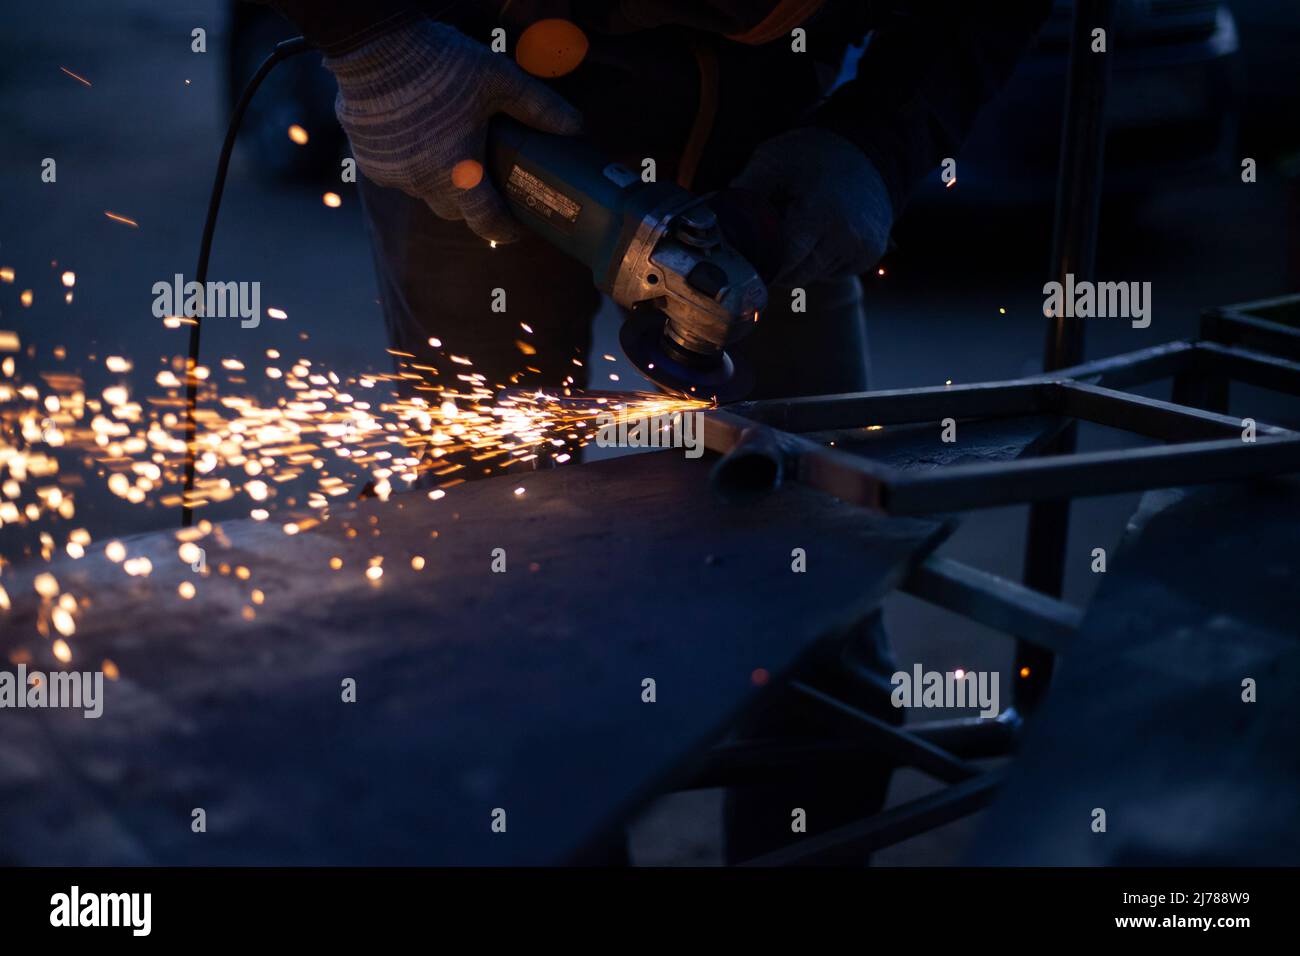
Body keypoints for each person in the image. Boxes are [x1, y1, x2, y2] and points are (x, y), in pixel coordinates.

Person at [259, 0, 1052, 863]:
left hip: (771, 144)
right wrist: (376, 43)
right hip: (471, 87)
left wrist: (879, 138)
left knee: (818, 586)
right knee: (493, 602)